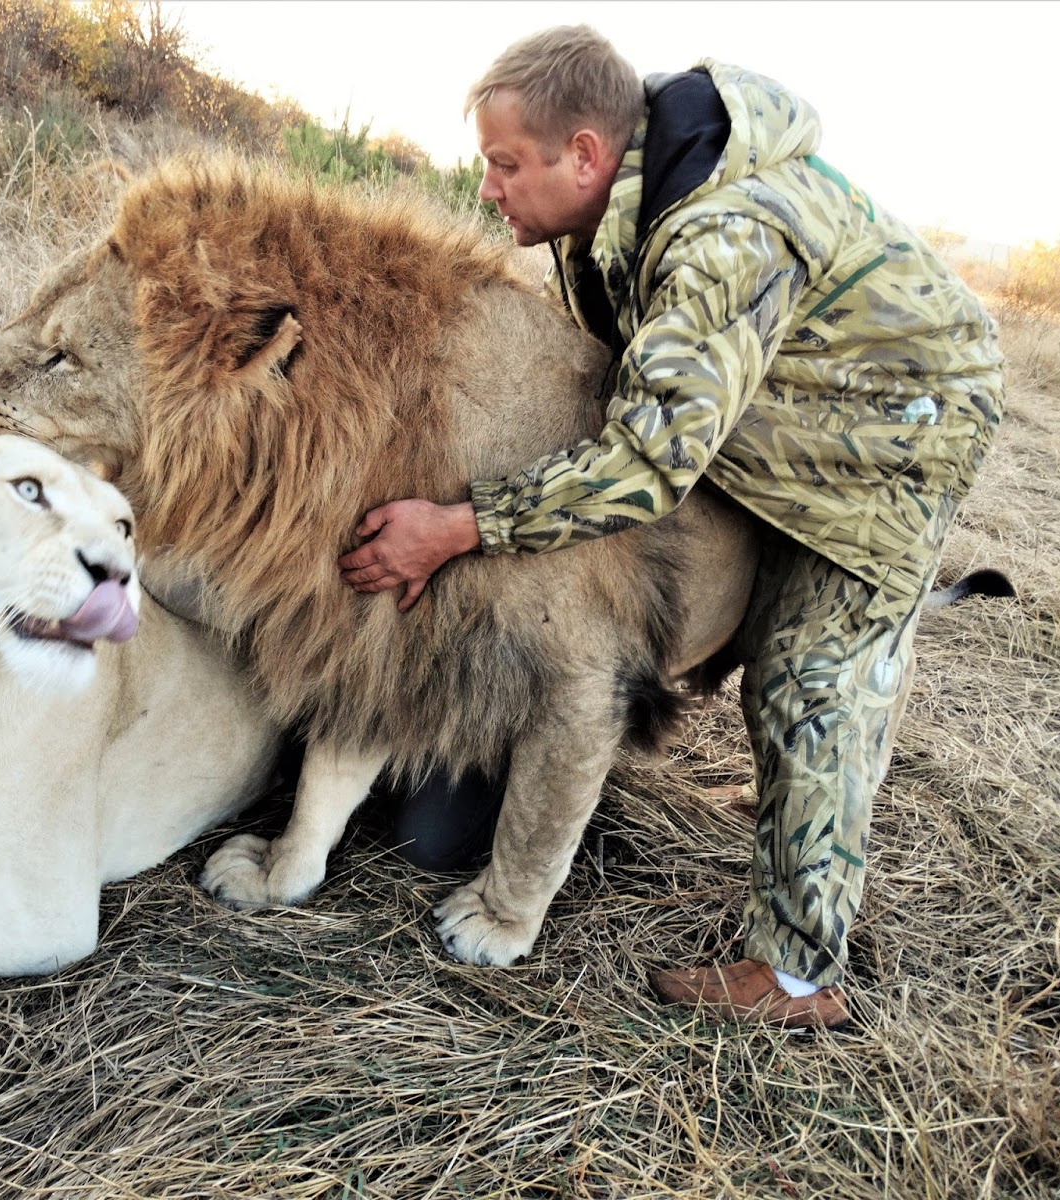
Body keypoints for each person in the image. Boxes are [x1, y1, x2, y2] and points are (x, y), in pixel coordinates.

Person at [337, 25, 1005, 1029]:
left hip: (896, 431)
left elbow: (649, 461)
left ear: (583, 155)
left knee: (808, 680)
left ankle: (796, 975)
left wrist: (462, 526)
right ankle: (801, 794)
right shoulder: (617, 201)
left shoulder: (718, 237)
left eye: (504, 164)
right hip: (779, 402)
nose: (487, 188)